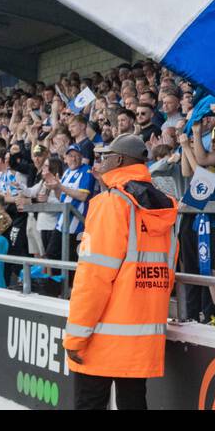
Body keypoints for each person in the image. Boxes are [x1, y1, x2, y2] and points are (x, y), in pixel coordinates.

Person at [64, 134, 179, 410]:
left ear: (118, 160)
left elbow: (94, 278)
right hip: (142, 338)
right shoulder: (164, 206)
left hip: (101, 337)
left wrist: (76, 336)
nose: (99, 162)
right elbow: (168, 273)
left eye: (105, 157)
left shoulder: (111, 203)